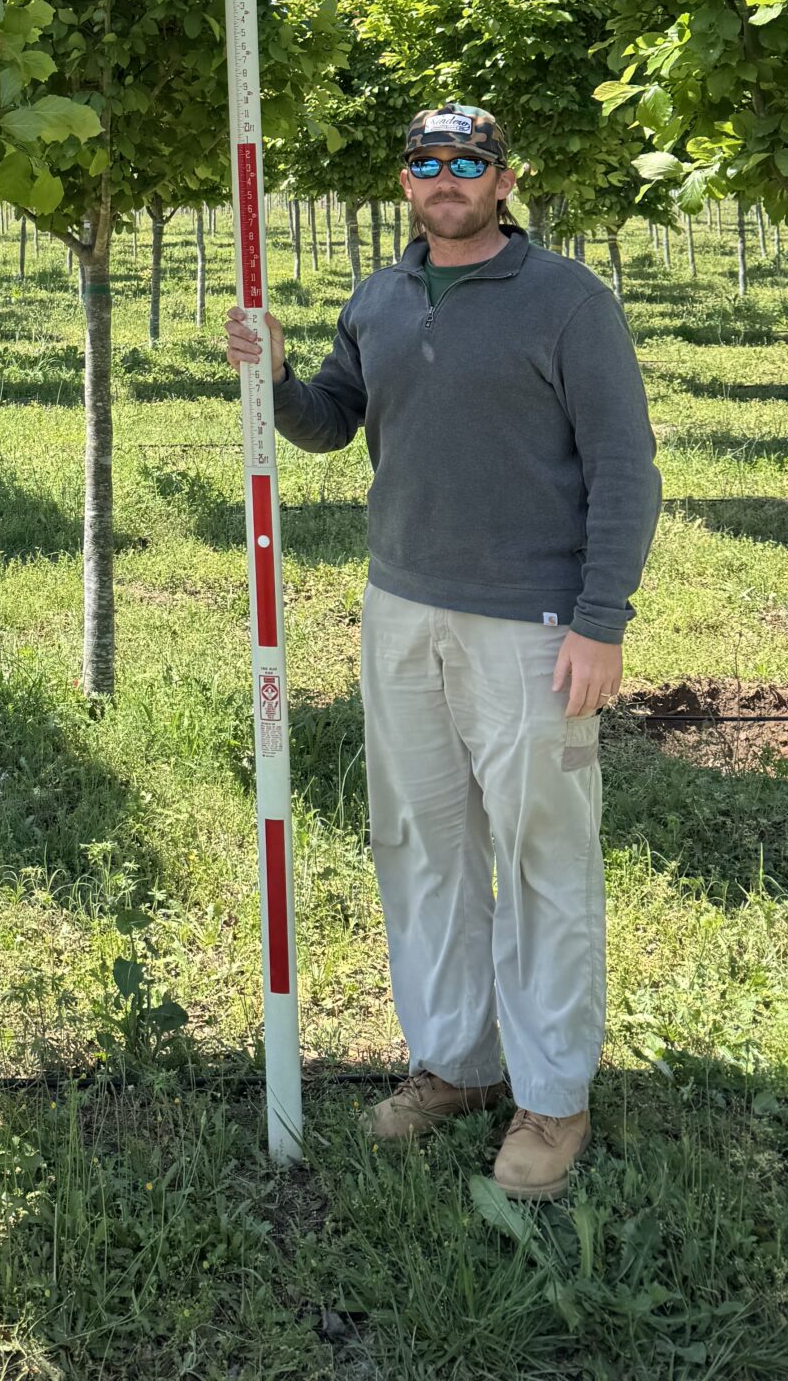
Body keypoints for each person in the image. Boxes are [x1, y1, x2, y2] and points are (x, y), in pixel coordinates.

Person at [224, 104, 660, 1200]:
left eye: (468, 162)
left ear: (503, 179)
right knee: (422, 841)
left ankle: (553, 1096)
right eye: (427, 163)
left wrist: (602, 620)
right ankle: (457, 1061)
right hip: (401, 610)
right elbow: (332, 418)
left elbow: (625, 466)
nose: (446, 178)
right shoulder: (377, 296)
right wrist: (276, 377)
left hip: (534, 625)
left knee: (540, 856)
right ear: (405, 180)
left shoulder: (569, 302)